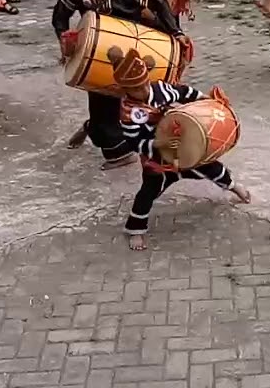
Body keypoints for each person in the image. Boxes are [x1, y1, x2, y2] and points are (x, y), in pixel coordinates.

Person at [50, 0, 191, 168]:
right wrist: (65, 44)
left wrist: (176, 33)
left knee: (141, 104)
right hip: (103, 56)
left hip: (136, 53)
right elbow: (59, 18)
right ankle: (108, 142)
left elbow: (158, 1)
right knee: (101, 105)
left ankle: (115, 142)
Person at [91, 47, 251, 250]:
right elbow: (134, 141)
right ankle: (136, 229)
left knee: (212, 167)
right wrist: (159, 144)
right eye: (135, 89)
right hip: (157, 159)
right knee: (148, 193)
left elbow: (184, 92)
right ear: (125, 90)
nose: (142, 91)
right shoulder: (129, 111)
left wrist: (205, 101)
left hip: (184, 146)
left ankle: (234, 187)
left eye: (143, 85)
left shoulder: (160, 89)